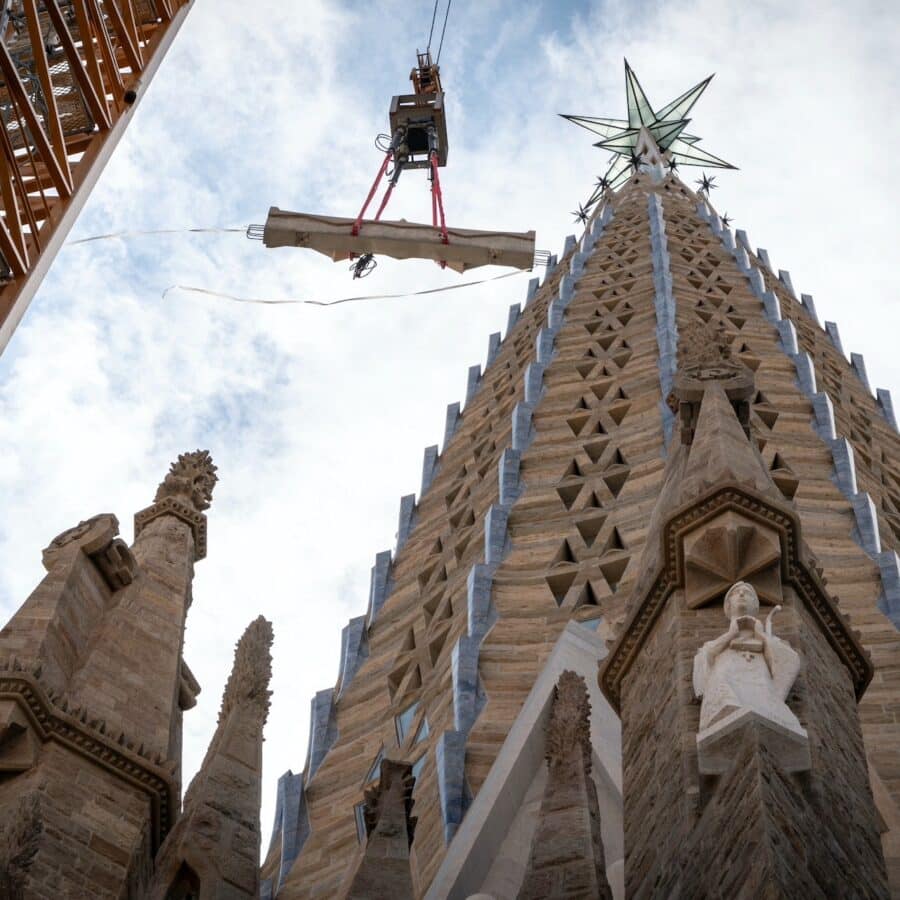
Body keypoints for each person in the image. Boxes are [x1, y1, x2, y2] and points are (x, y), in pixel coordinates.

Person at [692, 581, 803, 736]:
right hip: (726, 688)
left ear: (756, 606)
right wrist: (730, 635)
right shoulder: (714, 645)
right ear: (728, 606)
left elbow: (790, 663)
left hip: (761, 687)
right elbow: (703, 664)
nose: (742, 594)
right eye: (736, 593)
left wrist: (762, 636)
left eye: (748, 593)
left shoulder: (770, 641)